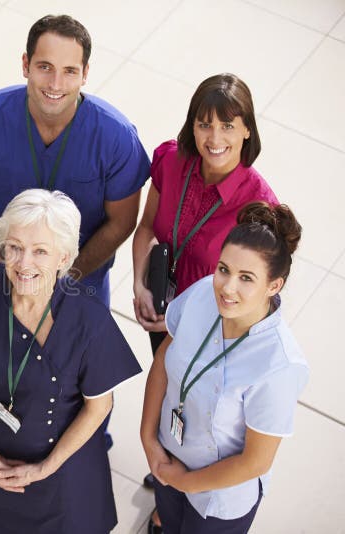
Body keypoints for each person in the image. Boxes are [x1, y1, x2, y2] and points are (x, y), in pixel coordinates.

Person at [0, 13, 150, 469]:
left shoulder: (114, 137)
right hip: (0, 267)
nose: (55, 82)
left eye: (69, 70)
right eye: (44, 66)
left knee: (79, 379)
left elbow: (121, 222)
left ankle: (83, 447)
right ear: (25, 64)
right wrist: (5, 268)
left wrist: (60, 276)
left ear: (85, 74)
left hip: (79, 280)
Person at [130, 73, 279, 530]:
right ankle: (167, 479)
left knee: (202, 408)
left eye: (229, 126)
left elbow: (259, 290)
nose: (214, 138)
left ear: (248, 130)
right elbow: (147, 227)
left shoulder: (259, 205)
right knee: (170, 390)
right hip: (164, 311)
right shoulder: (173, 160)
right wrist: (139, 284)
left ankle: (182, 486)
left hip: (215, 329)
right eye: (204, 123)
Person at [0, 189, 142, 533]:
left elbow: (99, 407)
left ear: (63, 257)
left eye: (40, 251)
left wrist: (45, 468)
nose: (24, 264)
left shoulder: (89, 320)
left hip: (63, 472)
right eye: (15, 247)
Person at [140, 202, 308, 534]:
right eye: (224, 269)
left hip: (219, 499)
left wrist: (186, 481)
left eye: (246, 278)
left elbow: (255, 461)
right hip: (167, 463)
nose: (227, 287)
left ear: (274, 286)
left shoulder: (280, 364)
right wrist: (148, 437)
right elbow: (163, 362)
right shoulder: (204, 292)